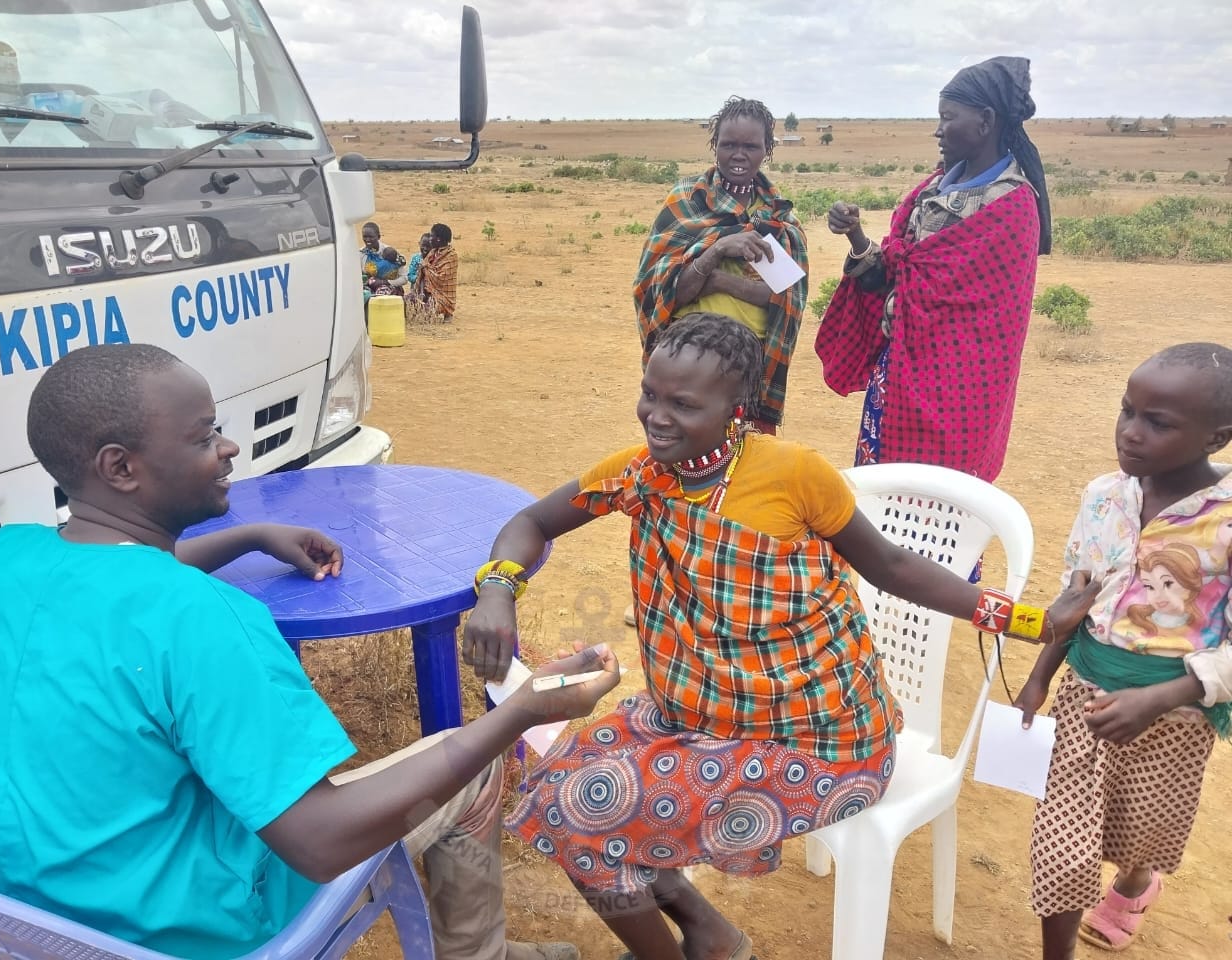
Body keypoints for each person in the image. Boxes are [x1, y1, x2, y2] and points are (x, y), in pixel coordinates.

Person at [0, 343, 620, 960]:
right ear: (120, 467)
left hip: (25, 918)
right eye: (205, 435)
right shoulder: (202, 618)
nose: (229, 448)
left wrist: (249, 538)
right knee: (468, 769)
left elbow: (114, 574)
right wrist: (514, 717)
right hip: (192, 931)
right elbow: (319, 840)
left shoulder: (4, 560)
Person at [460, 313, 1092, 960]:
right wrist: (498, 589)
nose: (657, 415)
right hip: (695, 715)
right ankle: (711, 935)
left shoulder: (794, 476)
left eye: (684, 403)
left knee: (584, 814)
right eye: (651, 393)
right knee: (565, 768)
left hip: (821, 738)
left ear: (738, 410)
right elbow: (530, 522)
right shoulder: (641, 475)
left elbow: (896, 568)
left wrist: (1030, 621)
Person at [1015, 342, 1232, 960]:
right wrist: (1039, 678)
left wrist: (1165, 694)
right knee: (1061, 848)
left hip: (1176, 713)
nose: (1130, 433)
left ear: (1218, 437)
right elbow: (1076, 594)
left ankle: (1136, 883)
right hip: (1084, 693)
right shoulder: (1105, 496)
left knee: (1138, 834)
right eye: (1126, 411)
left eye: (1157, 423)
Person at [814, 56, 1051, 481]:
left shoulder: (1011, 206)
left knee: (938, 512)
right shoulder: (934, 186)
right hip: (899, 377)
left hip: (958, 394)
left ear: (985, 120)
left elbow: (971, 313)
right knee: (881, 496)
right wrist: (855, 236)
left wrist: (900, 278)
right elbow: (895, 275)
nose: (938, 130)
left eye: (947, 118)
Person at [634, 97, 808, 437]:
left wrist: (715, 281)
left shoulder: (778, 215)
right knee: (684, 443)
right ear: (715, 145)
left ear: (767, 150)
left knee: (744, 460)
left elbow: (780, 298)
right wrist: (719, 250)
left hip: (750, 359)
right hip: (689, 356)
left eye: (750, 146)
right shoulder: (687, 201)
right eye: (728, 144)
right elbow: (666, 291)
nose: (738, 154)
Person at [408, 222, 458, 322]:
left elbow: (441, 278)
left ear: (438, 239)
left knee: (423, 312)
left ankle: (446, 312)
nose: (430, 238)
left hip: (442, 298)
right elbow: (423, 270)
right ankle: (421, 301)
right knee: (405, 303)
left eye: (431, 236)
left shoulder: (451, 255)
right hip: (425, 292)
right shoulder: (433, 252)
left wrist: (426, 268)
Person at [360, 221, 405, 302]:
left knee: (381, 297)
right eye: (365, 237)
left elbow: (404, 278)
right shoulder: (361, 254)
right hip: (368, 288)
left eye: (371, 237)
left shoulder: (390, 253)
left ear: (379, 237)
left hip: (389, 290)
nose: (367, 240)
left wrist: (385, 282)